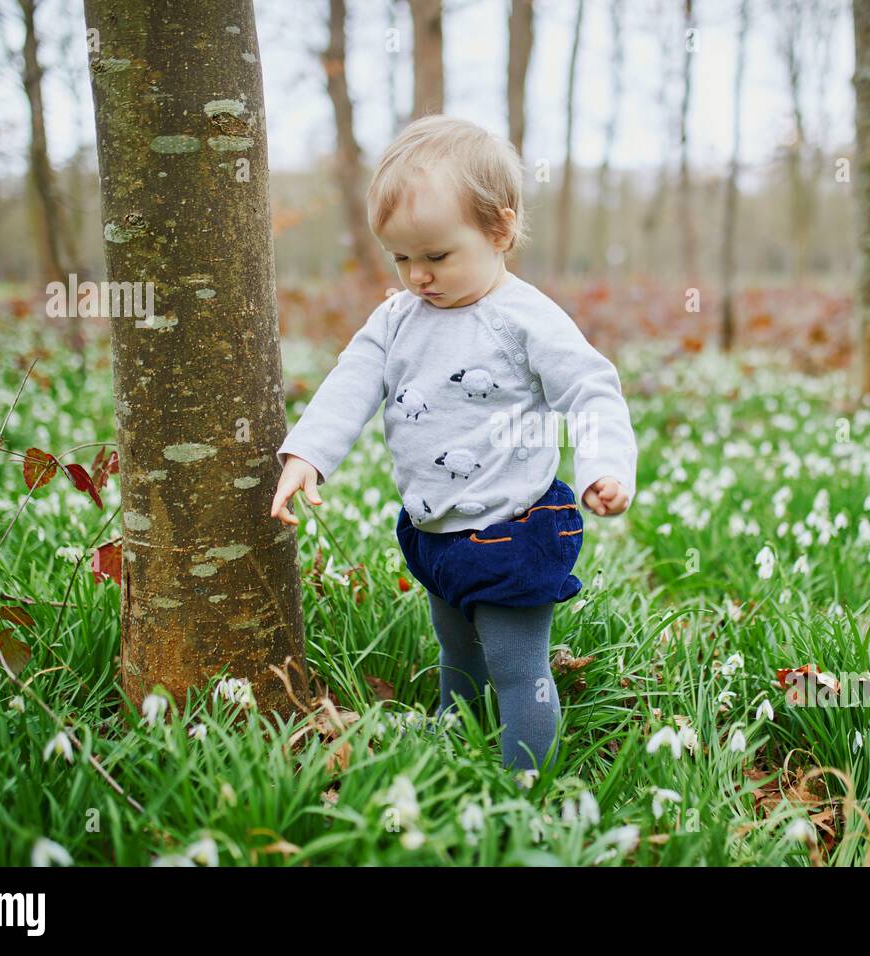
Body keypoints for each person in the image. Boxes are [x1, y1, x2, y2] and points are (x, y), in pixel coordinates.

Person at [270, 114, 638, 777]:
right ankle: (454, 731)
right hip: (433, 527)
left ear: (499, 230)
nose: (417, 276)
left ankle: (526, 780)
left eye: (436, 257)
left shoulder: (524, 318)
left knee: (516, 666)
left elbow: (591, 390)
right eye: (401, 258)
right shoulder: (397, 318)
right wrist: (308, 454)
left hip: (512, 530)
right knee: (455, 645)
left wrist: (604, 467)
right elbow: (352, 381)